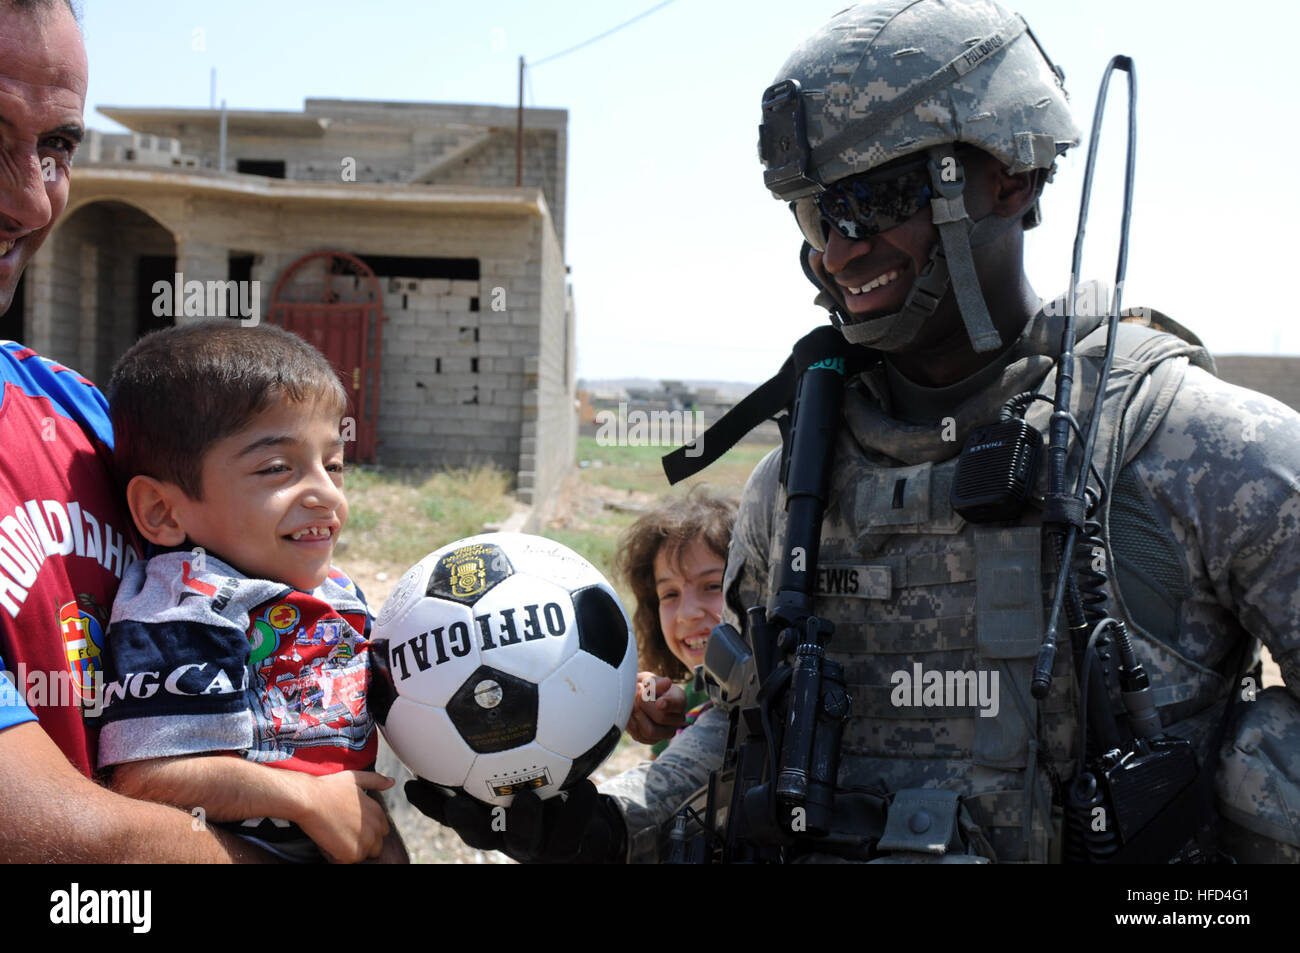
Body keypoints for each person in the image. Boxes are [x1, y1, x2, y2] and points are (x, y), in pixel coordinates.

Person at [415, 0, 1300, 864]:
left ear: (1009, 175)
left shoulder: (1204, 451)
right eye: (814, 214)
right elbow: (743, 723)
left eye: (877, 198)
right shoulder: (795, 482)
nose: (838, 252)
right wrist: (606, 831)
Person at [0, 0, 282, 862]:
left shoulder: (77, 415)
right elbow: (50, 837)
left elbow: (289, 607)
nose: (29, 199)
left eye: (57, 147)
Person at [92, 321, 397, 864]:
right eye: (278, 468)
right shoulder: (188, 606)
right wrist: (306, 799)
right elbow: (149, 777)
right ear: (162, 511)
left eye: (332, 465)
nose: (326, 495)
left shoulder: (332, 586)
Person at [615, 492, 736, 757]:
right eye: (670, 594)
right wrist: (647, 707)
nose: (686, 614)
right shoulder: (691, 696)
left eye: (713, 586)